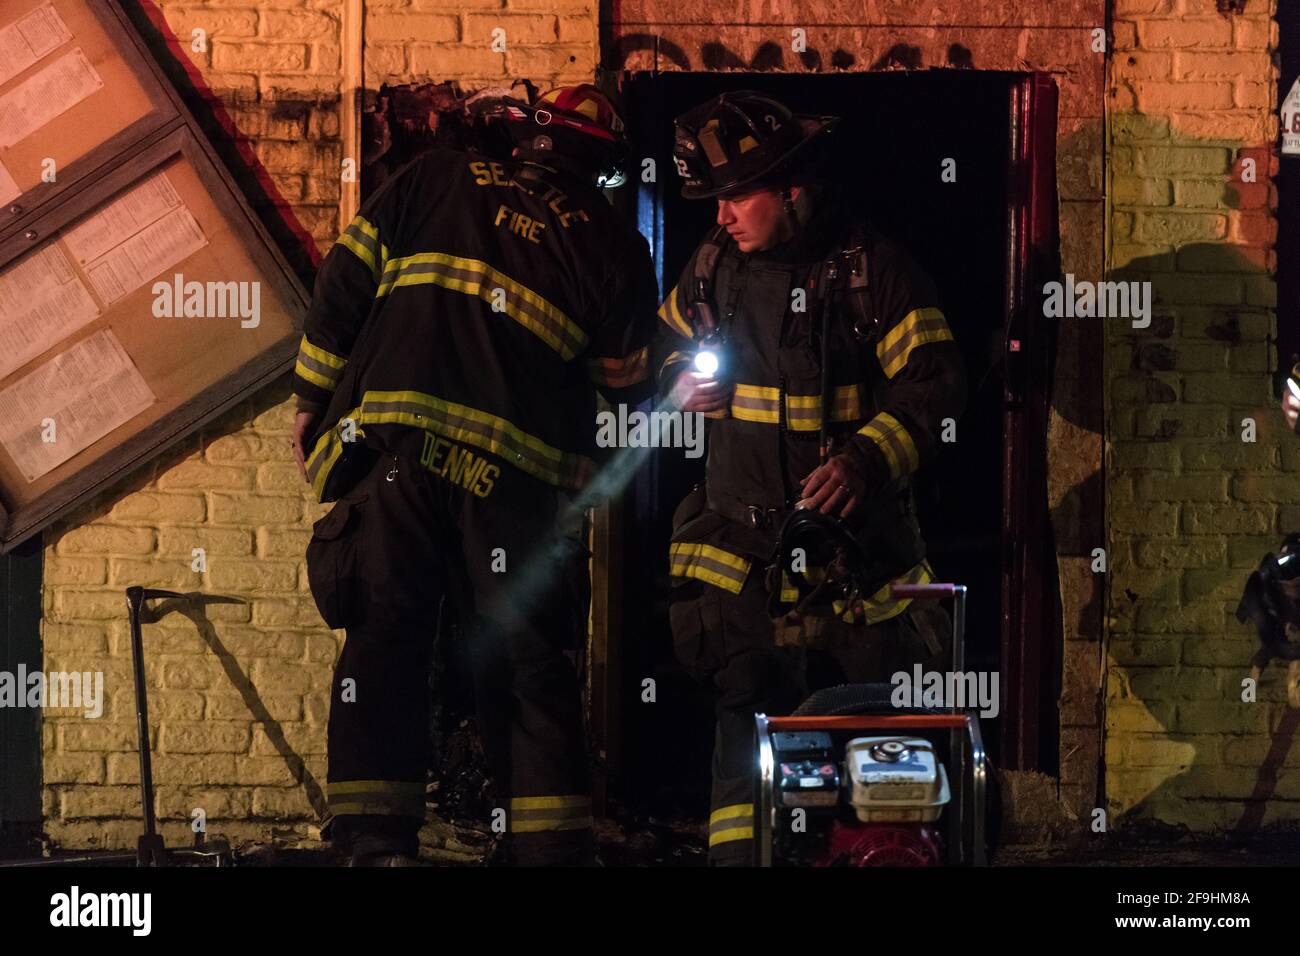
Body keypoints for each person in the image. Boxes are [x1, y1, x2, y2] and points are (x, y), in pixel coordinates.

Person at [291, 84, 658, 865]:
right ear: (603, 169)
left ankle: (372, 840)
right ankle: (550, 846)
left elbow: (344, 285)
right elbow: (627, 378)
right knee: (525, 655)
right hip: (514, 488)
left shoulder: (435, 179)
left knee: (382, 640)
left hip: (396, 457)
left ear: (529, 139)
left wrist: (309, 399)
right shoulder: (615, 246)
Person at [653, 90, 968, 865]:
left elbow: (936, 383)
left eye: (736, 197)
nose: (722, 215)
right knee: (743, 755)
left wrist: (864, 459)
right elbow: (662, 344)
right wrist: (677, 385)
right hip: (741, 573)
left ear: (790, 190)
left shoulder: (876, 273)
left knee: (874, 750)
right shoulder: (711, 270)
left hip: (855, 569)